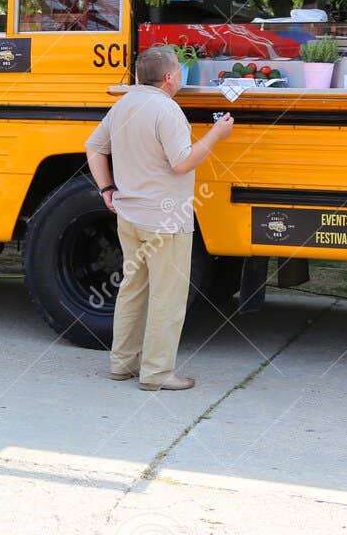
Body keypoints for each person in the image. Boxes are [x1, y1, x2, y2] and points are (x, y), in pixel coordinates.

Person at [84, 45, 234, 391]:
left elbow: (94, 147)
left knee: (133, 290)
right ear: (169, 78)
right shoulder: (167, 110)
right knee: (167, 297)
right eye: (179, 70)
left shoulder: (123, 104)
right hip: (166, 220)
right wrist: (217, 134)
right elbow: (182, 162)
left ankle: (122, 364)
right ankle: (157, 374)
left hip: (130, 215)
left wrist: (107, 189)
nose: (181, 75)